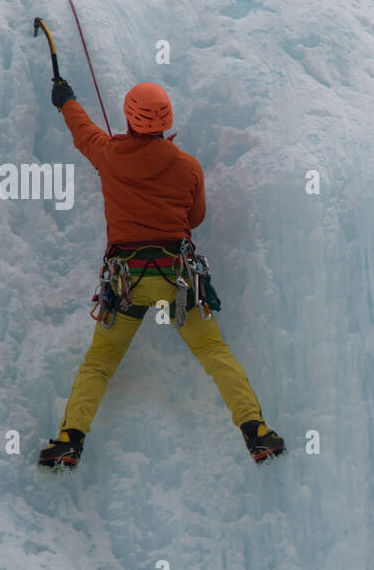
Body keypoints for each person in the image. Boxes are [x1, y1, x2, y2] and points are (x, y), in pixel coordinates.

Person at [38, 79, 285, 469]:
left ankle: (70, 440)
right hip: (177, 278)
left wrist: (64, 99)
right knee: (213, 351)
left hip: (126, 282)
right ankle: (256, 433)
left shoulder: (108, 154)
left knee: (101, 360)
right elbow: (195, 217)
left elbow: (83, 131)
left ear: (130, 116)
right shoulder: (187, 166)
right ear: (167, 118)